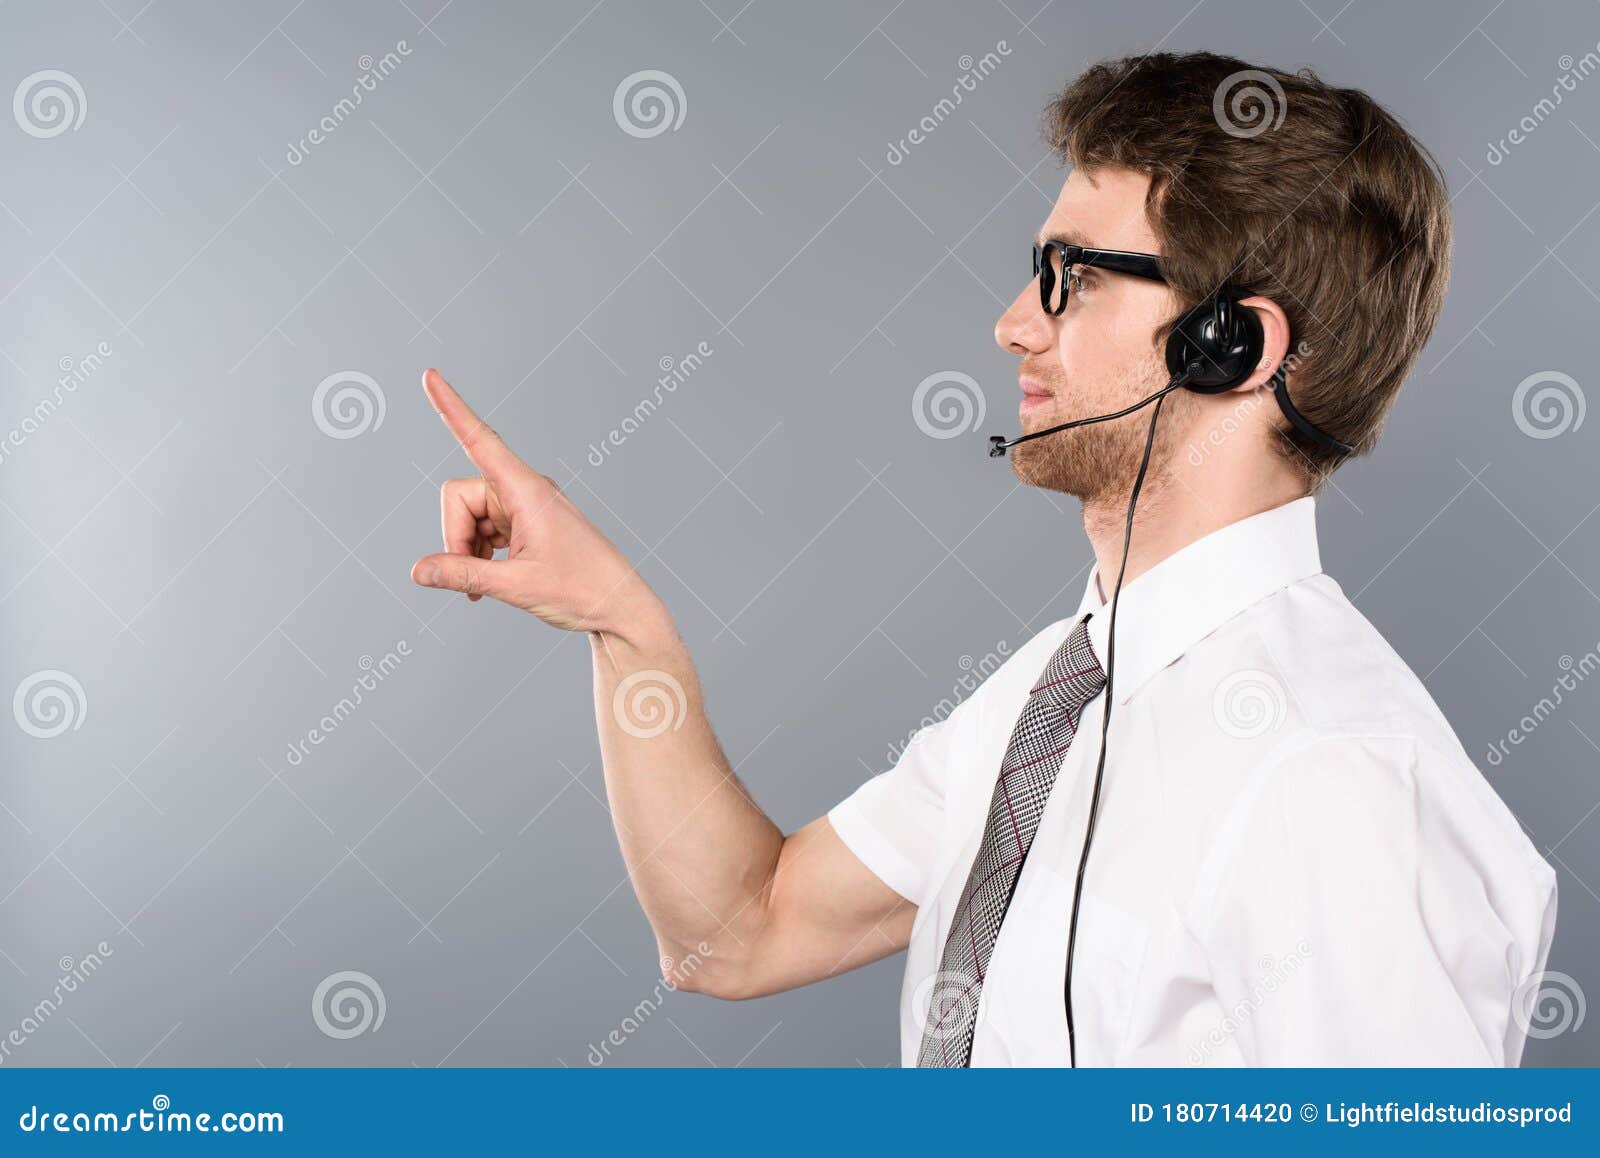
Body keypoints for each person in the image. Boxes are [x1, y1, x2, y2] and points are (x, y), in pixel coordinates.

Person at [408, 51, 1557, 1066]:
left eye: (1076, 276)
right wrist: (622, 627)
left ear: (1230, 345)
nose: (1014, 322)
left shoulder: (1327, 773)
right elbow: (739, 931)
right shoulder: (1050, 698)